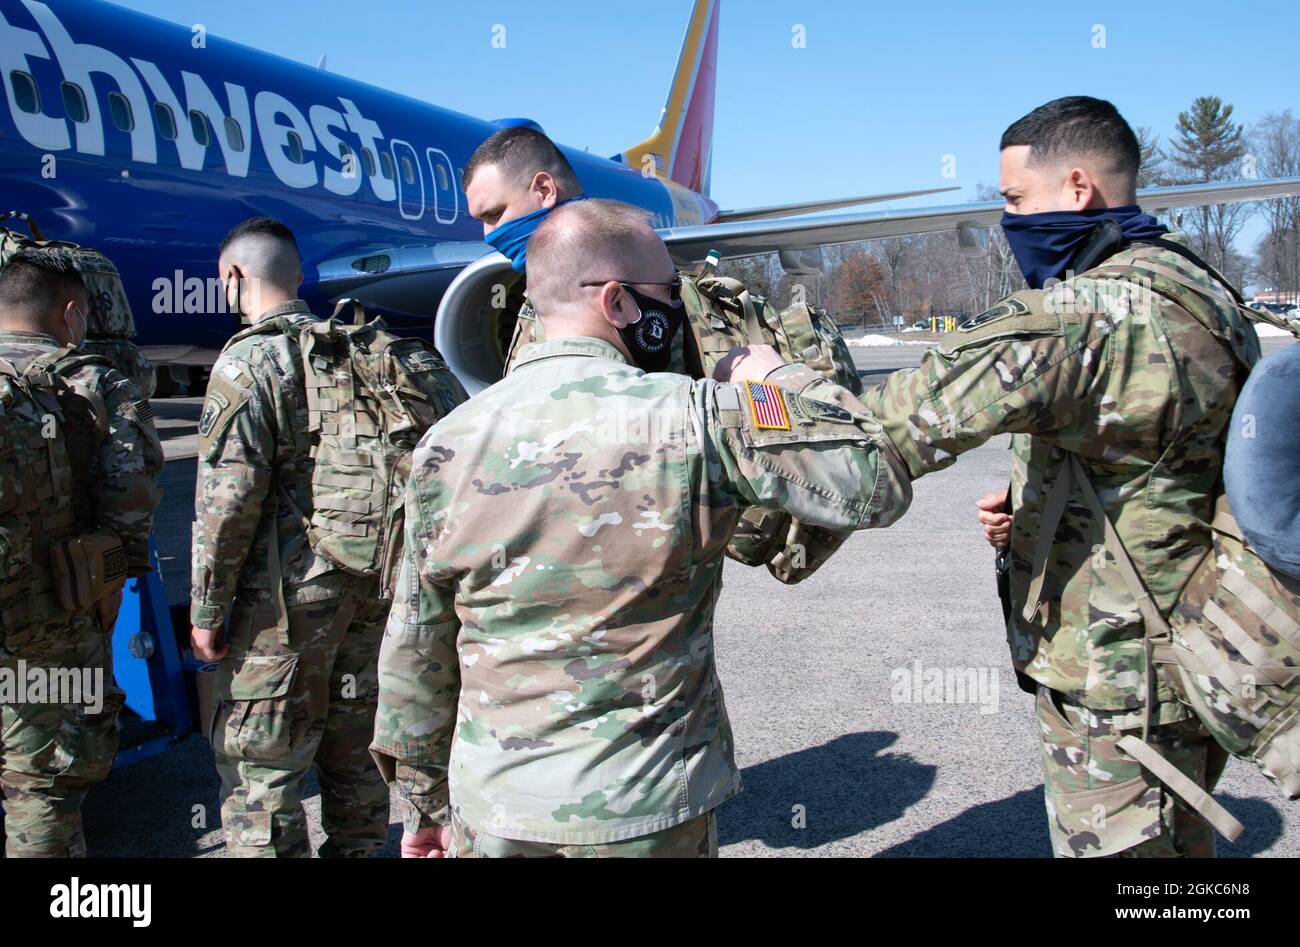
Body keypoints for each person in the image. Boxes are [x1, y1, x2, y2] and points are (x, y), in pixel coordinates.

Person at [370, 199, 912, 858]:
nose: (677, 309)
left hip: (499, 810)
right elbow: (875, 472)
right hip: (648, 811)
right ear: (620, 302)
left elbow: (416, 647)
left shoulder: (444, 447)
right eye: (668, 291)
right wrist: (770, 375)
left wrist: (424, 804)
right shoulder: (701, 416)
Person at [869, 96, 1255, 857]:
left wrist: (769, 383)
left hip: (1113, 680)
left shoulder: (1080, 317)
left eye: (1015, 200)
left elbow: (882, 435)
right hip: (1200, 654)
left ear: (1077, 188)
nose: (1009, 221)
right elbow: (1166, 461)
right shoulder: (1202, 290)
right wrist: (1038, 509)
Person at [190, 217, 466, 857]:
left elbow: (226, 500)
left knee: (262, 771)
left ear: (234, 277)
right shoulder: (368, 352)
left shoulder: (250, 359)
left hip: (281, 612)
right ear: (298, 276)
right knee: (355, 762)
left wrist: (207, 611)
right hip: (374, 589)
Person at [0, 248, 163, 857]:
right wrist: (110, 591)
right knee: (44, 781)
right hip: (51, 625)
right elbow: (129, 500)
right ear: (71, 313)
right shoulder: (93, 381)